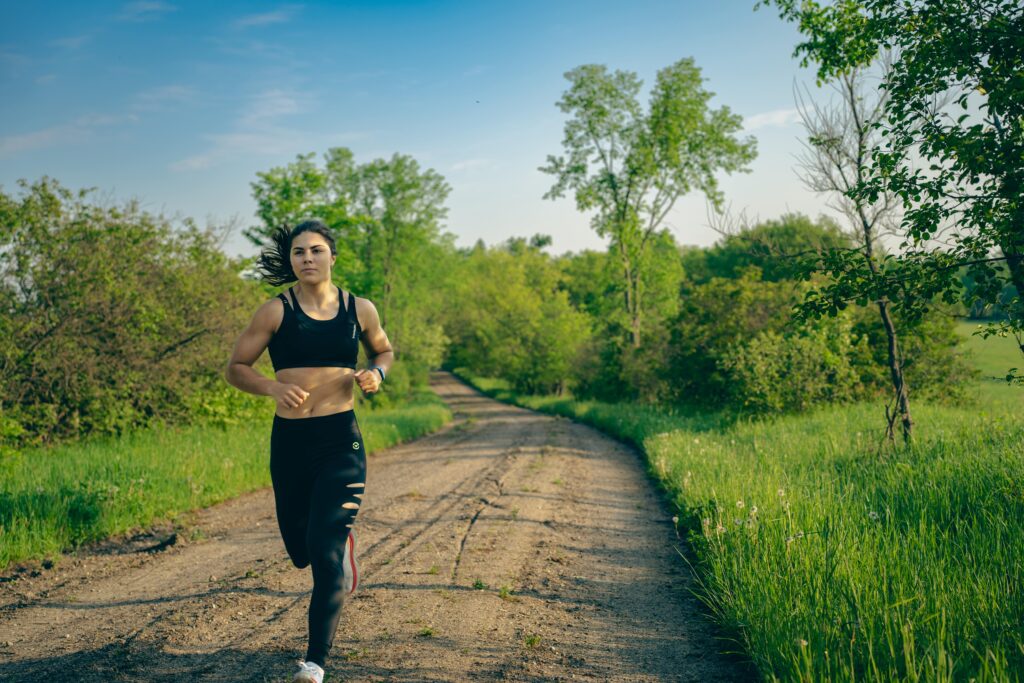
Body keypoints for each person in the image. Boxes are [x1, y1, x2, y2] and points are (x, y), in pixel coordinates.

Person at [224, 219, 394, 683]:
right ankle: (333, 549)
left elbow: (383, 351)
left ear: (332, 256)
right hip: (292, 445)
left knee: (324, 551)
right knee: (300, 549)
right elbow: (236, 367)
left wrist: (377, 374)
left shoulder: (359, 309)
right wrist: (270, 387)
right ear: (293, 260)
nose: (307, 259)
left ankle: (315, 661)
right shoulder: (274, 312)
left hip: (342, 441)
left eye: (316, 250)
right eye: (299, 252)